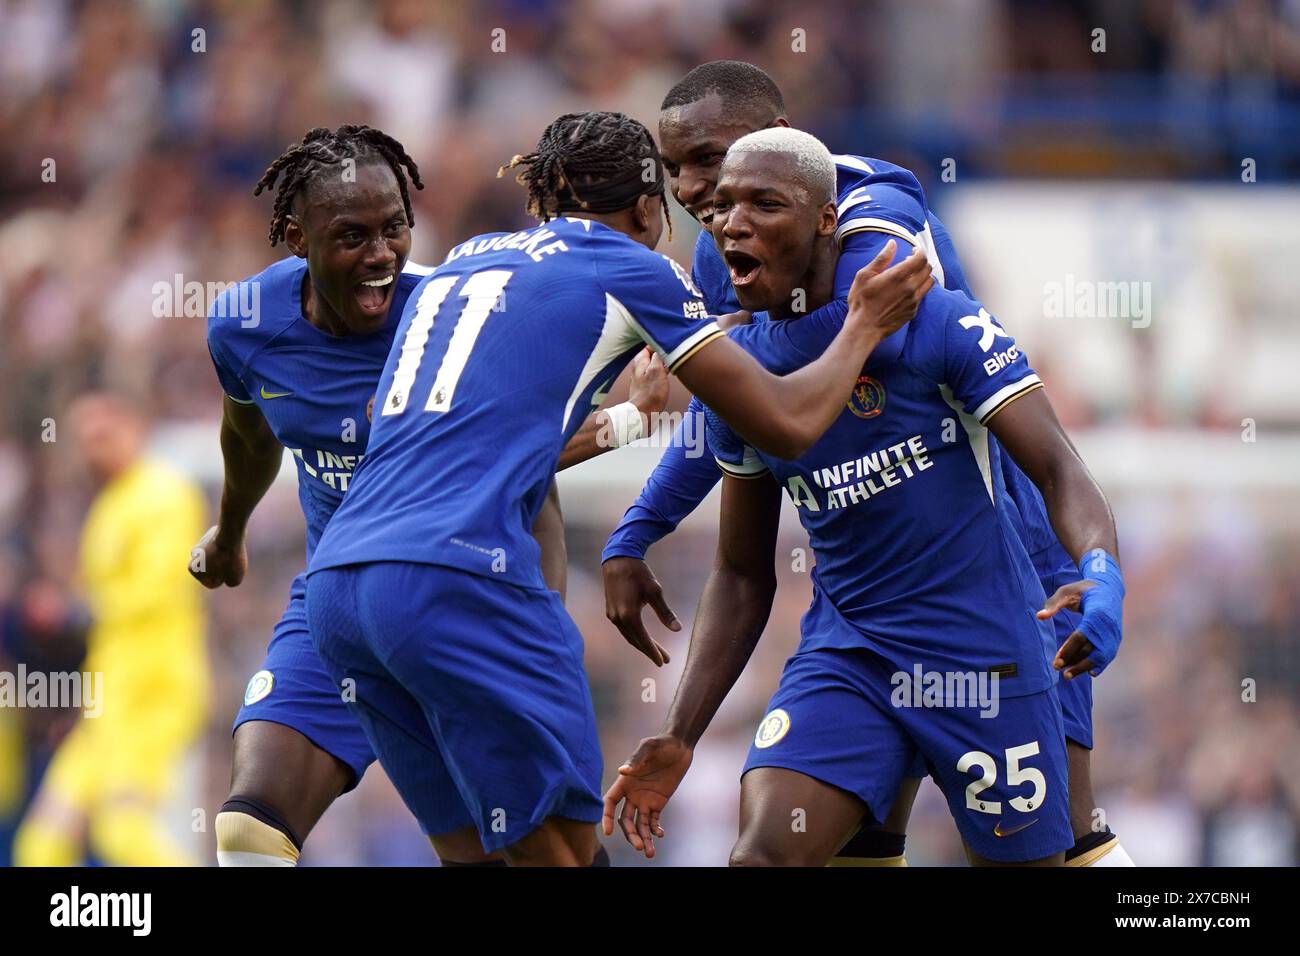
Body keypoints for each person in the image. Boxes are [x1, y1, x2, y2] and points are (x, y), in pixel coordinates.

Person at [303, 110, 933, 866]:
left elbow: (445, 439)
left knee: (476, 856)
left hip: (340, 588)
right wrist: (863, 324)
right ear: (645, 209)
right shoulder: (635, 269)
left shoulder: (461, 262)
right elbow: (786, 424)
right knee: (566, 855)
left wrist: (632, 422)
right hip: (456, 581)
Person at [600, 60, 1132, 866]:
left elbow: (859, 340)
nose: (700, 194)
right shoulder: (725, 271)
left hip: (1003, 594)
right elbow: (742, 482)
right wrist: (637, 528)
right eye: (679, 171)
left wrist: (1101, 568)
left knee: (1076, 840)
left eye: (715, 163)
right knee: (788, 851)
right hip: (855, 643)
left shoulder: (880, 219)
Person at [194, 125, 669, 866]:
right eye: (352, 236)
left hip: (456, 592)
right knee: (249, 829)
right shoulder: (245, 326)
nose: (382, 254)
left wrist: (631, 422)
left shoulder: (444, 309)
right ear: (294, 239)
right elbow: (250, 436)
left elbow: (515, 453)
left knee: (524, 848)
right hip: (341, 598)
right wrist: (229, 531)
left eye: (395, 229)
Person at [15, 392, 208, 866]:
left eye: (104, 433)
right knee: (40, 845)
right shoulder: (110, 506)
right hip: (108, 699)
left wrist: (78, 611)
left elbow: (162, 588)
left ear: (136, 426)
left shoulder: (166, 494)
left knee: (122, 833)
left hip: (151, 692)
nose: (93, 447)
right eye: (84, 438)